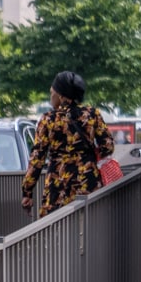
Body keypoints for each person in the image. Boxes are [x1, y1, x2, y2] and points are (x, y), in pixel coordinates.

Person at [22, 70, 116, 217]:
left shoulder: (48, 120)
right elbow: (108, 146)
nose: (50, 97)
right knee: (89, 225)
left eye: (52, 93)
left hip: (58, 186)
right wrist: (90, 155)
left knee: (56, 230)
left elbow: (37, 158)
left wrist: (27, 192)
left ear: (60, 95)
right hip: (88, 182)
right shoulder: (92, 115)